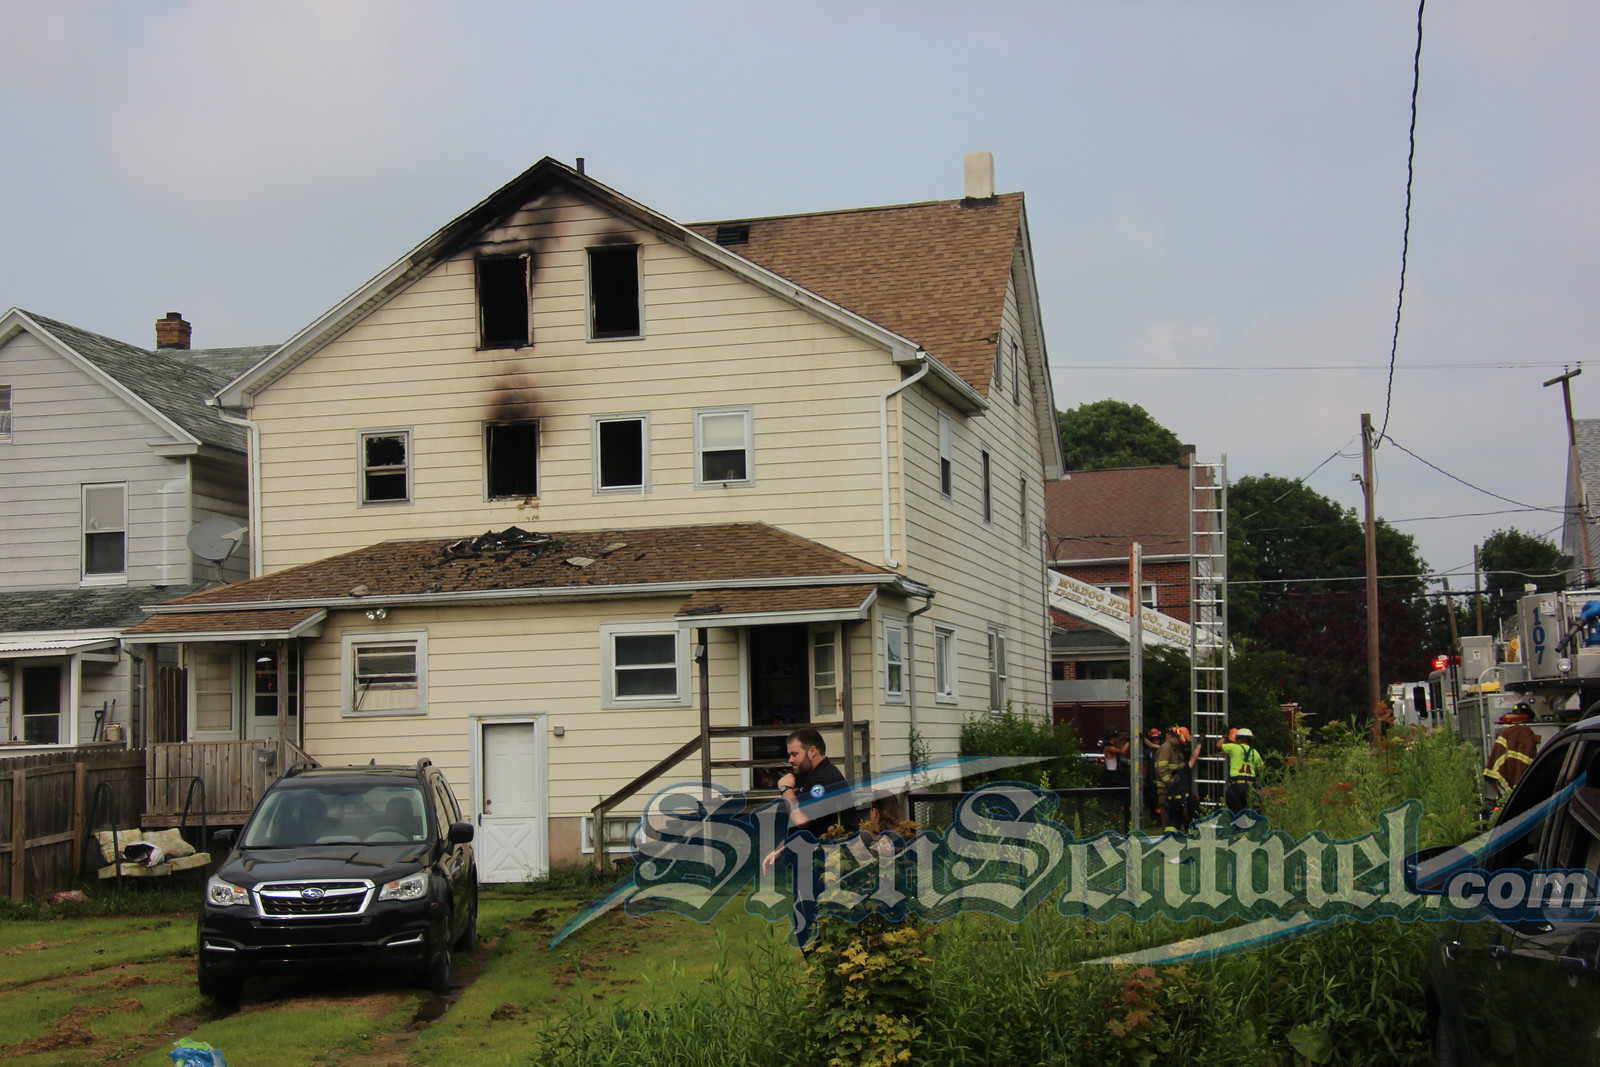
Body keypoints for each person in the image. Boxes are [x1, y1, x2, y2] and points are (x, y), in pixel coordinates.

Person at [761, 728, 859, 873]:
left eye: (794, 754)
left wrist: (785, 789)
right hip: (810, 862)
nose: (790, 760)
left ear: (812, 751)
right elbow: (801, 823)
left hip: (825, 866)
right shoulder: (809, 777)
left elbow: (802, 821)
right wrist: (779, 850)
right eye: (789, 755)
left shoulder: (826, 779)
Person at [1484, 704, 1540, 800]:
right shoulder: (1531, 731)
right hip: (1532, 788)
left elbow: (1496, 762)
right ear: (1531, 718)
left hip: (1513, 791)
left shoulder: (1507, 733)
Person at [1217, 727, 1264, 818]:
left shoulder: (1233, 747)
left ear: (1238, 738)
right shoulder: (1255, 752)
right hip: (1250, 785)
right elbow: (1261, 770)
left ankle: (1237, 826)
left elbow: (1219, 745)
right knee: (1252, 814)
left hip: (1236, 785)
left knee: (1236, 814)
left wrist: (1225, 736)